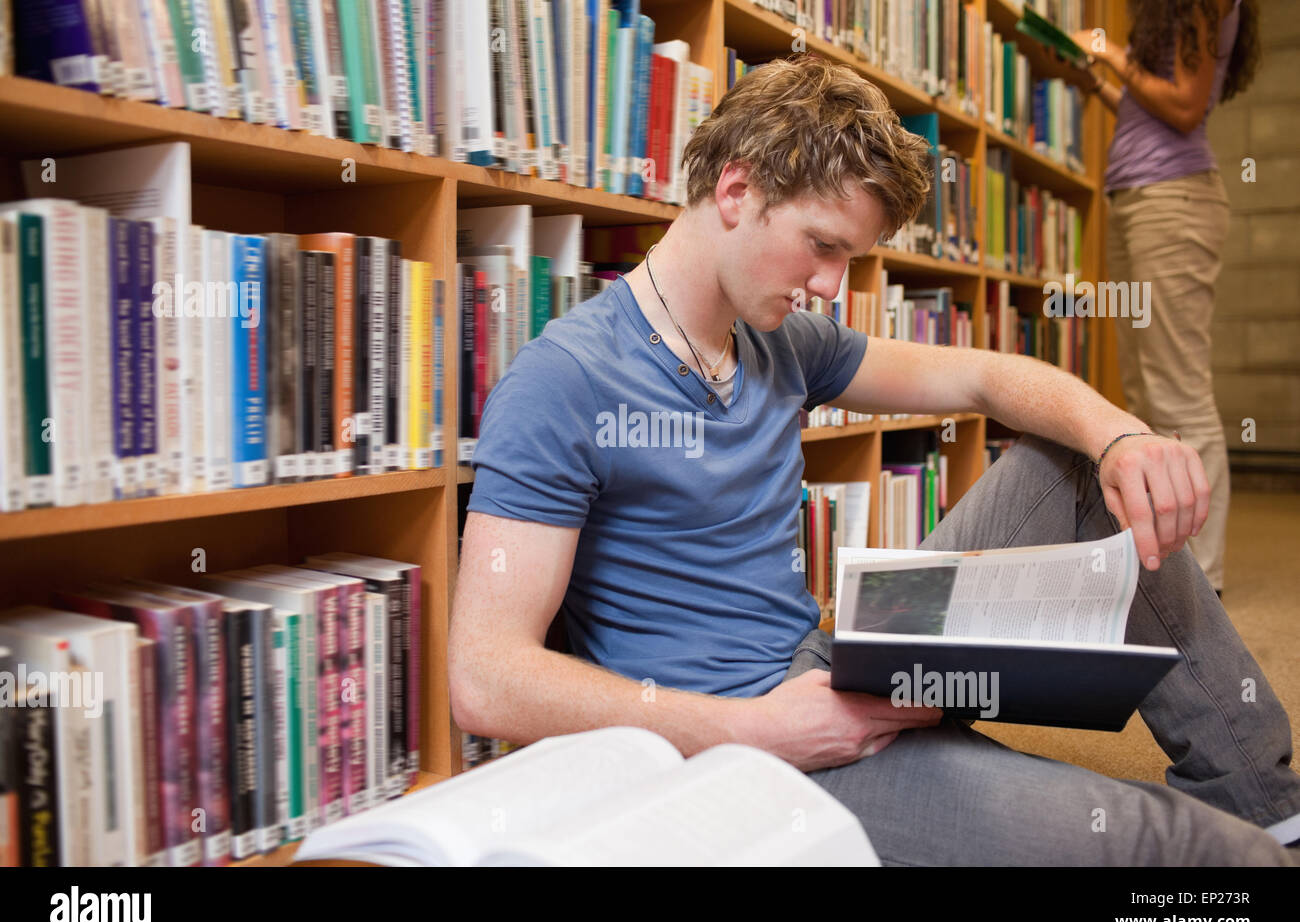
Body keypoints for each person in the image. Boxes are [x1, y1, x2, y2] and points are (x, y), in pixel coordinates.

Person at [448, 55, 1299, 864]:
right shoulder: (565, 378)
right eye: (823, 246)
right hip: (743, 750)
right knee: (1171, 848)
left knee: (1075, 460)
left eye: (849, 258)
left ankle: (1272, 803)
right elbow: (485, 677)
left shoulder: (780, 338)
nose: (832, 284)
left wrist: (1122, 435)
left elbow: (985, 375)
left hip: (826, 665)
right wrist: (756, 731)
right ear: (736, 190)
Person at [1070, 0, 1259, 596]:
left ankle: (1205, 579)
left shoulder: (1204, 4)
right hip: (1140, 201)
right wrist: (1097, 80)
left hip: (1171, 203)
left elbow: (1183, 105)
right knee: (1148, 387)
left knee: (1178, 390)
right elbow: (1150, 109)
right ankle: (1170, 560)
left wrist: (1114, 54)